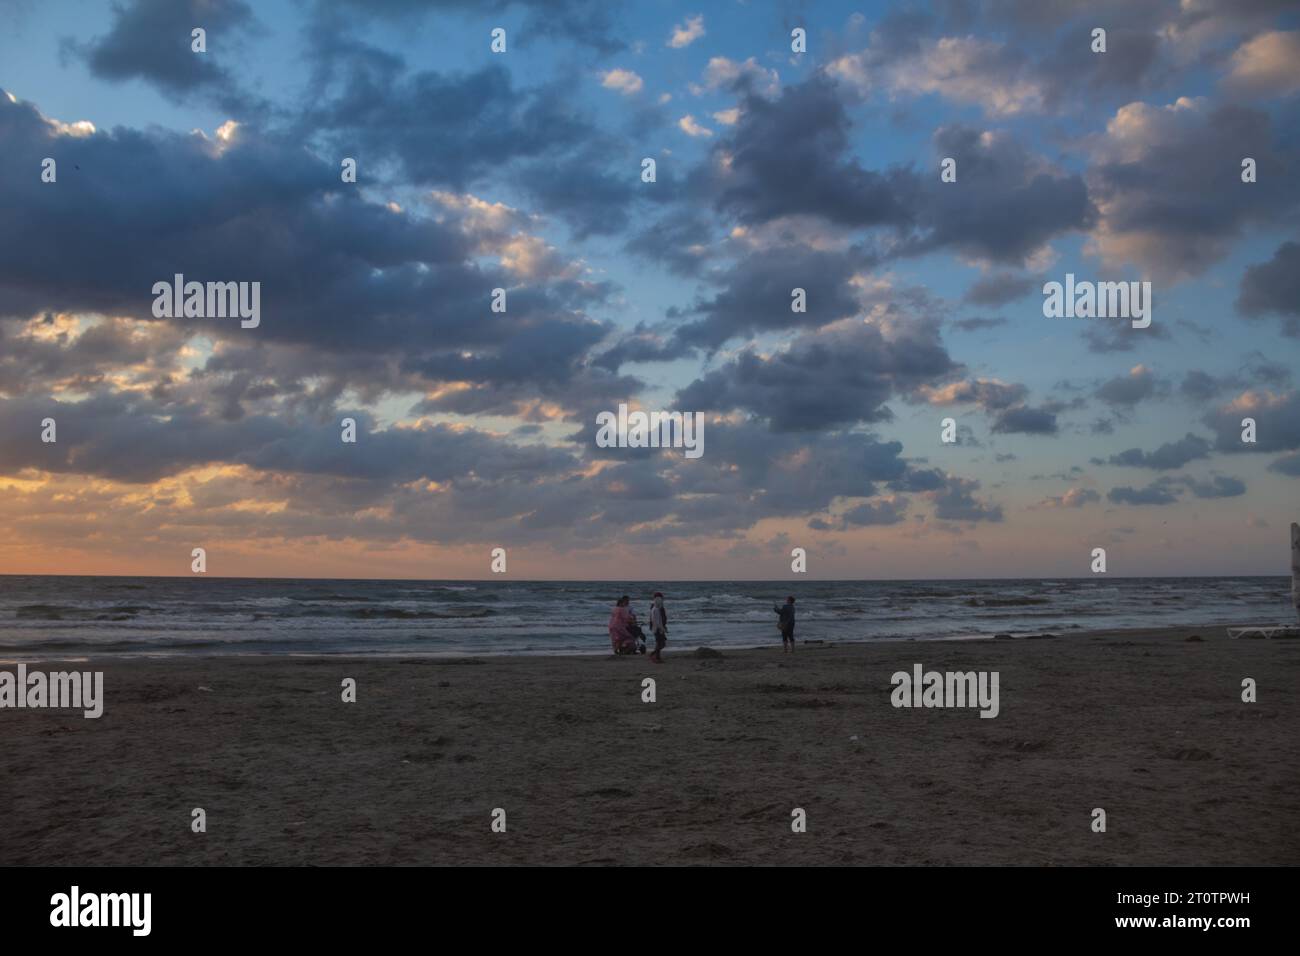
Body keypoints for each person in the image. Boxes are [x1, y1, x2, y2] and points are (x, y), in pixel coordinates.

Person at [649, 592, 668, 663]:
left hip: (658, 627)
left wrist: (664, 626)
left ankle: (656, 655)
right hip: (657, 627)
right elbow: (656, 620)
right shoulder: (656, 608)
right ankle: (655, 656)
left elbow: (660, 619)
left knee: (660, 642)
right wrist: (661, 628)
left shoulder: (657, 607)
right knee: (660, 642)